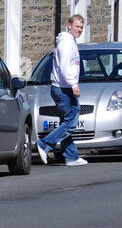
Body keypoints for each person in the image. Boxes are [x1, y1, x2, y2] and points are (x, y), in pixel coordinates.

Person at [37, 14, 87, 166]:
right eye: (77, 26)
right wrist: (73, 84)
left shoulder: (69, 41)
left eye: (81, 27)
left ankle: (71, 156)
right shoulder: (66, 43)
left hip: (62, 87)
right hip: (64, 88)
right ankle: (44, 144)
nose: (80, 30)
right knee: (71, 121)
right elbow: (64, 67)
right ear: (69, 25)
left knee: (65, 121)